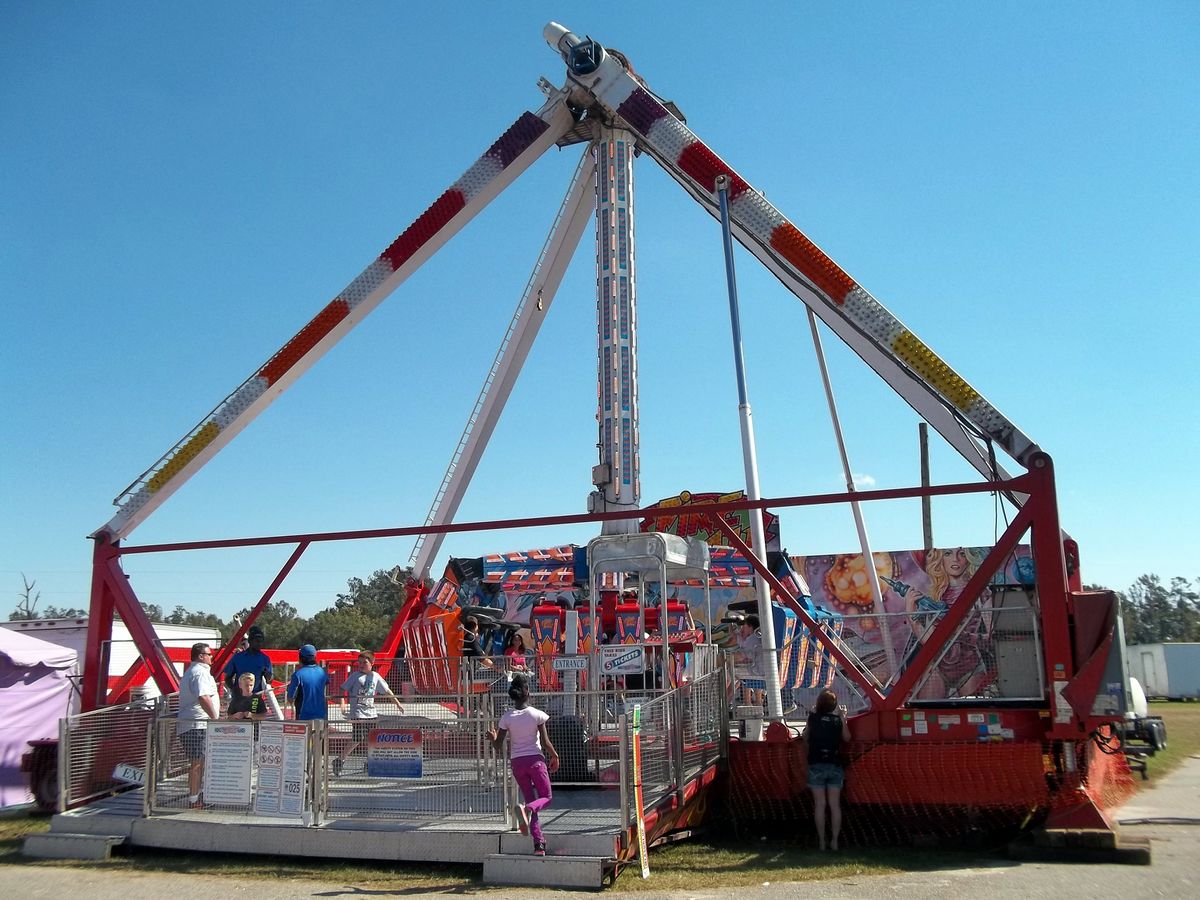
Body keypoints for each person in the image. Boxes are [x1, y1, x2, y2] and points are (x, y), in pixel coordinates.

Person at [487, 673, 560, 856]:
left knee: (532, 800)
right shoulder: (537, 715)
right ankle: (527, 810)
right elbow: (545, 742)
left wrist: (493, 738)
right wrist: (555, 756)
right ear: (527, 691)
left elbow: (498, 746)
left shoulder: (506, 718)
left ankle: (539, 844)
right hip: (535, 760)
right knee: (546, 797)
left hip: (517, 763)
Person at [333, 650, 402, 776]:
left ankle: (369, 762)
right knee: (357, 738)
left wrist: (397, 703)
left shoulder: (375, 676)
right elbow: (342, 689)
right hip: (358, 713)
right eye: (359, 663)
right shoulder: (355, 676)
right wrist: (342, 703)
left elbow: (387, 690)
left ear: (372, 663)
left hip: (371, 713)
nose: (361, 665)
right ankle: (340, 760)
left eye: (364, 662)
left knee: (373, 739)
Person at [801, 689, 851, 851]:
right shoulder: (837, 720)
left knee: (820, 805)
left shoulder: (813, 718)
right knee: (835, 805)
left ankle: (822, 841)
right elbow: (847, 738)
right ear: (834, 705)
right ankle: (835, 841)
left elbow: (805, 736)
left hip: (816, 763)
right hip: (834, 763)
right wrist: (843, 718)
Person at [177, 642, 219, 808]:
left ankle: (196, 796)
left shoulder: (193, 672)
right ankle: (194, 800)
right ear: (201, 656)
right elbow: (203, 696)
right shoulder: (199, 673)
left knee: (199, 761)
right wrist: (215, 717)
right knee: (197, 762)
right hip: (196, 725)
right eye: (209, 655)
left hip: (195, 724)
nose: (212, 658)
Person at [224, 625, 273, 700]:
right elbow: (228, 678)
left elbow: (269, 680)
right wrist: (234, 690)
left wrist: (269, 676)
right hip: (239, 698)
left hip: (255, 698)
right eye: (256, 641)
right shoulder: (238, 657)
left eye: (261, 641)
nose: (259, 644)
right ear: (250, 641)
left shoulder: (265, 659)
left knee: (254, 712)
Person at [286, 644, 329, 721]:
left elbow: (290, 698)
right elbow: (326, 684)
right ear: (315, 657)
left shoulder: (298, 674)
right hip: (321, 716)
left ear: (301, 658)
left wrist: (289, 689)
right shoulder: (322, 672)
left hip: (303, 717)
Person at [735, 614, 764, 706]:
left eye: (745, 626)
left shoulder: (752, 639)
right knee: (745, 673)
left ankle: (747, 702)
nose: (743, 628)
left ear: (750, 626)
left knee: (735, 673)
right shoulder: (757, 637)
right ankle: (758, 702)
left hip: (756, 670)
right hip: (760, 669)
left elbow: (744, 656)